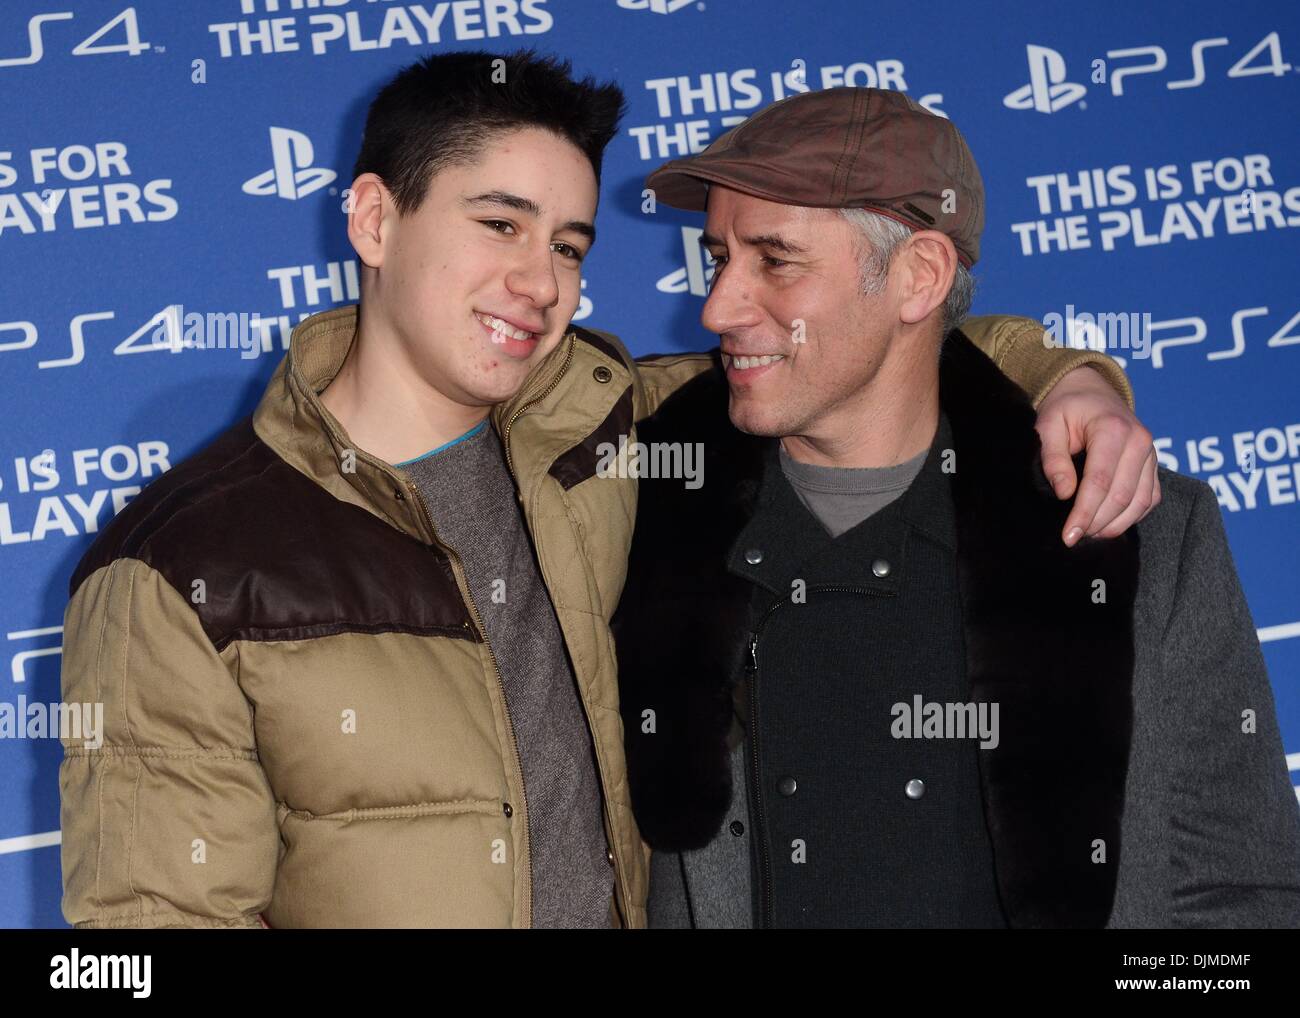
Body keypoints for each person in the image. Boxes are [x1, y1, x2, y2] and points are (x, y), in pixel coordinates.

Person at [59, 53, 1154, 929]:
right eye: (499, 225)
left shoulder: (605, 436)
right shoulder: (180, 567)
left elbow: (873, 351)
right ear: (374, 221)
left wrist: (1072, 381)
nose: (540, 283)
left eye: (568, 244)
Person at [612, 86, 1300, 928]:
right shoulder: (637, 520)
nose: (716, 307)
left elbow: (1241, 899)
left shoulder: (1142, 536)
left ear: (920, 276)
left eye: (775, 259)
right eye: (720, 256)